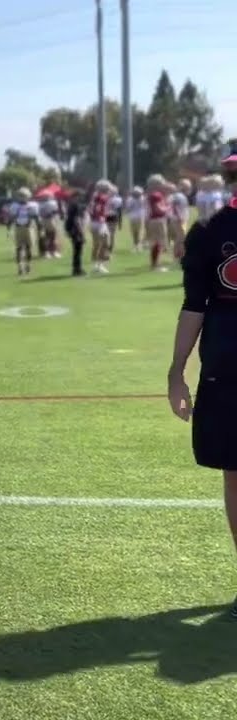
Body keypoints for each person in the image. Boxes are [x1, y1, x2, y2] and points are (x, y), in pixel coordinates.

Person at [167, 141, 237, 619]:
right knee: (236, 470)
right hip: (227, 365)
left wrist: (177, 371)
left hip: (224, 362)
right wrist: (177, 370)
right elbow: (195, 305)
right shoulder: (210, 234)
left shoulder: (210, 232)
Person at [64, 189, 86, 277]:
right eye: (80, 196)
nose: (81, 198)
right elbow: (77, 220)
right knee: (78, 250)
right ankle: (77, 269)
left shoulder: (70, 205)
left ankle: (76, 268)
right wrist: (81, 231)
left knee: (76, 250)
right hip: (75, 229)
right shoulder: (76, 206)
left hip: (71, 229)